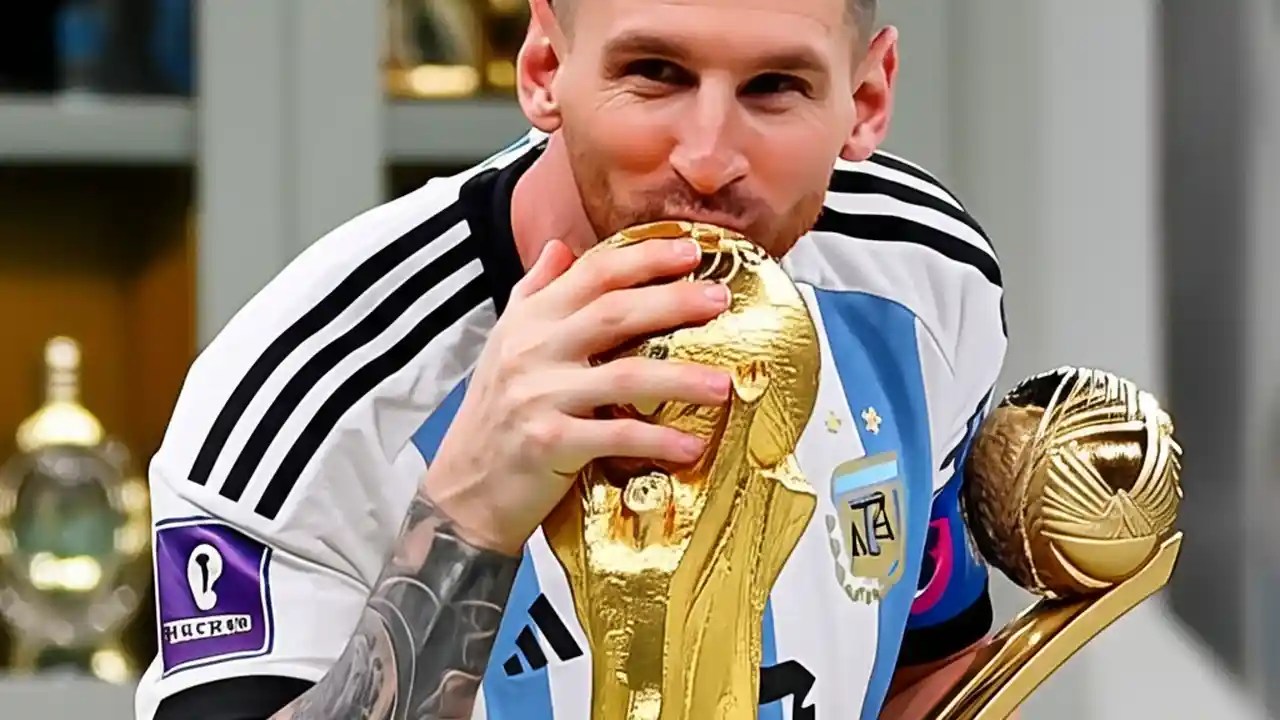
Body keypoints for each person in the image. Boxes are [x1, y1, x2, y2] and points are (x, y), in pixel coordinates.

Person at [136, 0, 1006, 718]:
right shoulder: (309, 386)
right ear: (544, 66)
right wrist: (469, 511)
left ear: (866, 98)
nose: (707, 160)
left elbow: (924, 663)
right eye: (654, 74)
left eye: (775, 87)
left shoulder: (924, 275)